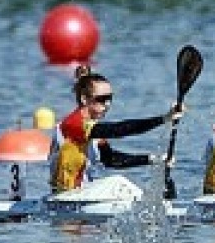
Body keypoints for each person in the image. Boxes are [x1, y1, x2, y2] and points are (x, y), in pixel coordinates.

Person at [50, 66, 183, 193]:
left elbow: (111, 160)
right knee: (117, 182)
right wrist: (165, 118)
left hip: (80, 195)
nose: (107, 105)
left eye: (110, 99)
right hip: (64, 197)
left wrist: (154, 159)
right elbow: (119, 129)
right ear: (84, 99)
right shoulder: (74, 124)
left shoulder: (94, 131)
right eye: (102, 99)